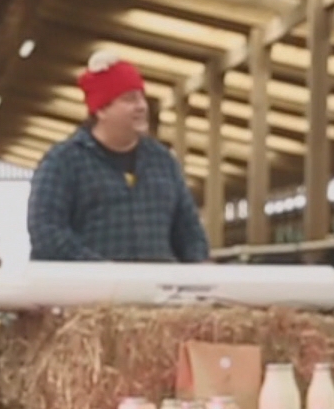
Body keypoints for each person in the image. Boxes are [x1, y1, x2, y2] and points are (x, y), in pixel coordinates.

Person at [26, 51, 209, 263]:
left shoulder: (163, 161)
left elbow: (189, 230)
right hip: (88, 293)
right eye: (129, 99)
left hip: (153, 293)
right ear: (101, 110)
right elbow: (46, 233)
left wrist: (197, 267)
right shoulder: (63, 162)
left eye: (141, 97)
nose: (141, 106)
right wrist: (103, 271)